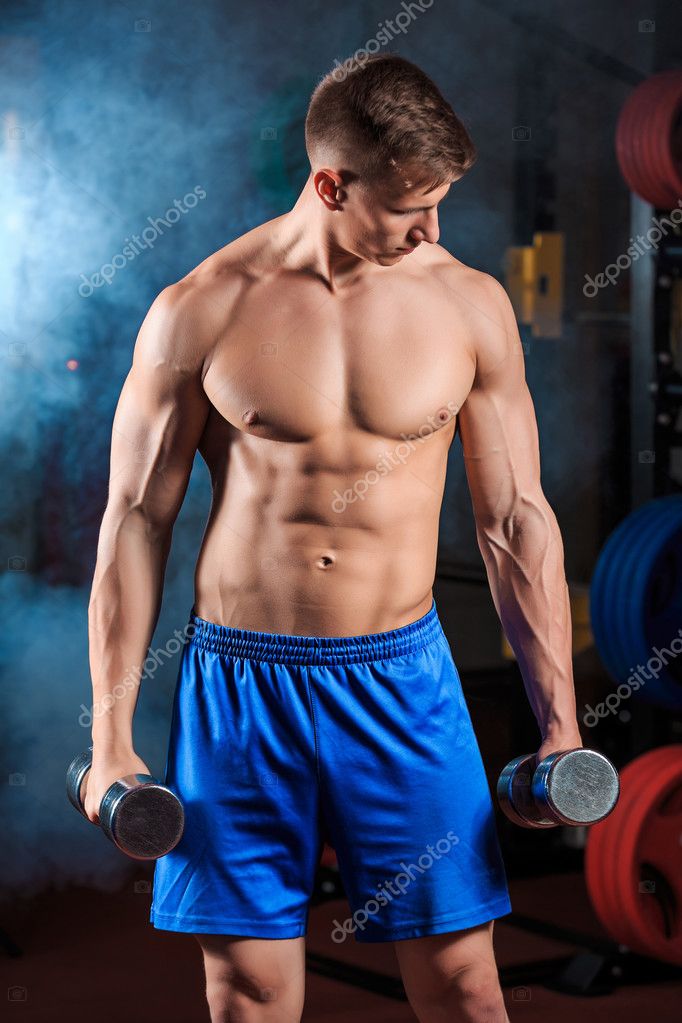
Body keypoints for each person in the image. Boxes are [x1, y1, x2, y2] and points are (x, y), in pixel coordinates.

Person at [85, 52, 582, 1023]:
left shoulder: (466, 306)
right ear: (330, 183)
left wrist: (559, 722)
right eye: (408, 208)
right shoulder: (203, 308)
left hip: (401, 680)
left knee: (465, 988)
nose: (431, 230)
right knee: (249, 997)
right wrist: (109, 740)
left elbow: (514, 518)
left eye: (440, 204)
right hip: (240, 687)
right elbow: (136, 522)